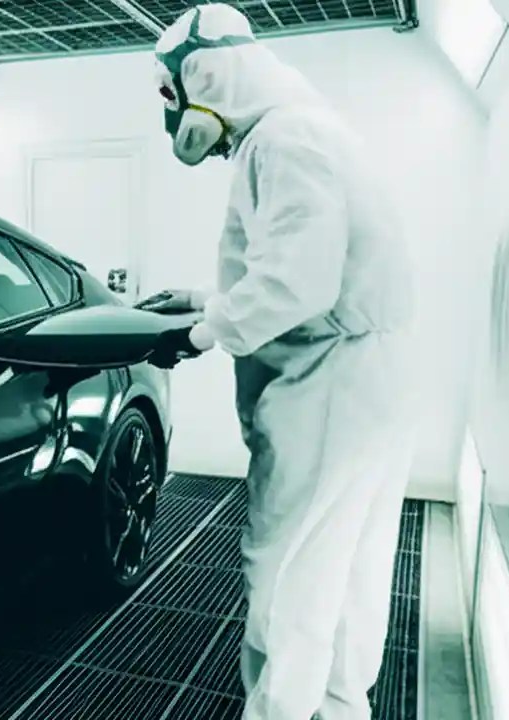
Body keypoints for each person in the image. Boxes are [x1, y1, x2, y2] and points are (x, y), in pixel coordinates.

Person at [135, 4, 417, 719]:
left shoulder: (283, 139)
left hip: (325, 388)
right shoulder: (312, 129)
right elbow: (307, 267)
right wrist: (205, 297)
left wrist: (198, 334)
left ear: (206, 74)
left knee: (287, 577)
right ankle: (337, 709)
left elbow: (298, 282)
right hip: (367, 377)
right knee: (345, 574)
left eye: (172, 95)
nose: (176, 118)